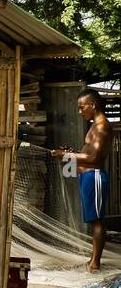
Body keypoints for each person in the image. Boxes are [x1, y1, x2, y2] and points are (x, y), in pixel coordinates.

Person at [51, 90, 113, 272]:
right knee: (93, 220)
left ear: (93, 105)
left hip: (94, 176)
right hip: (87, 177)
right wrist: (72, 152)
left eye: (81, 107)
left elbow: (94, 159)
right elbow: (88, 154)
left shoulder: (102, 126)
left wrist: (67, 155)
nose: (80, 112)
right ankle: (93, 259)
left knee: (97, 221)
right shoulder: (95, 125)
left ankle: (95, 263)